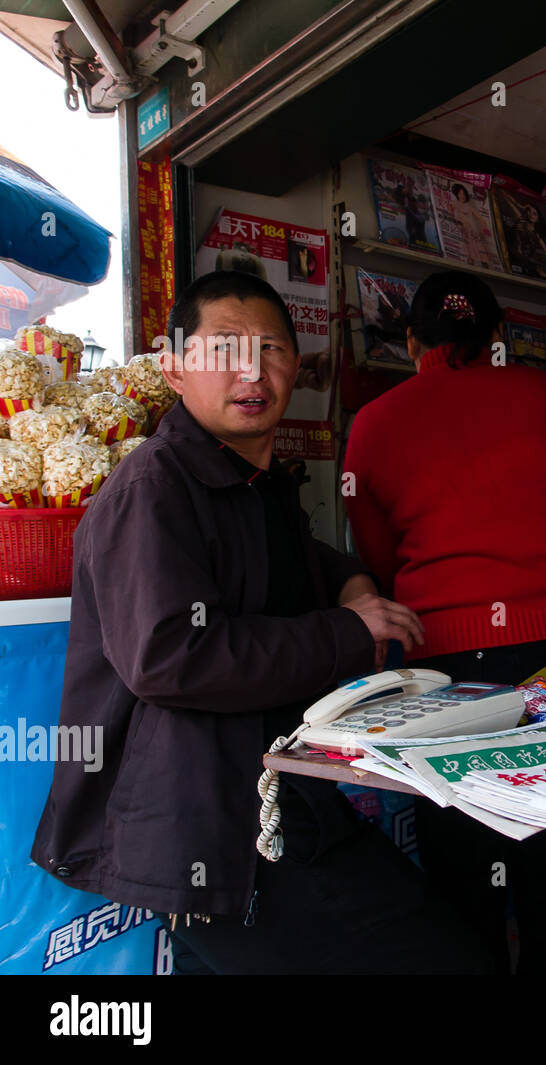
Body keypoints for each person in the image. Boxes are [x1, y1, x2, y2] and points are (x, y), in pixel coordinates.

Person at [29, 271, 495, 974]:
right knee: (449, 961)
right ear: (174, 366)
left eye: (272, 349)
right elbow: (173, 653)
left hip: (275, 803)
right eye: (223, 349)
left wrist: (350, 580)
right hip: (212, 833)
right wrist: (350, 629)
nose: (251, 370)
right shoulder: (154, 486)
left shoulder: (251, 481)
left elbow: (284, 561)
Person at [343, 270, 546, 973]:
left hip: (440, 667)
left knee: (461, 867)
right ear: (500, 335)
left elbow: (376, 558)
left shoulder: (374, 424)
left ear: (413, 340)